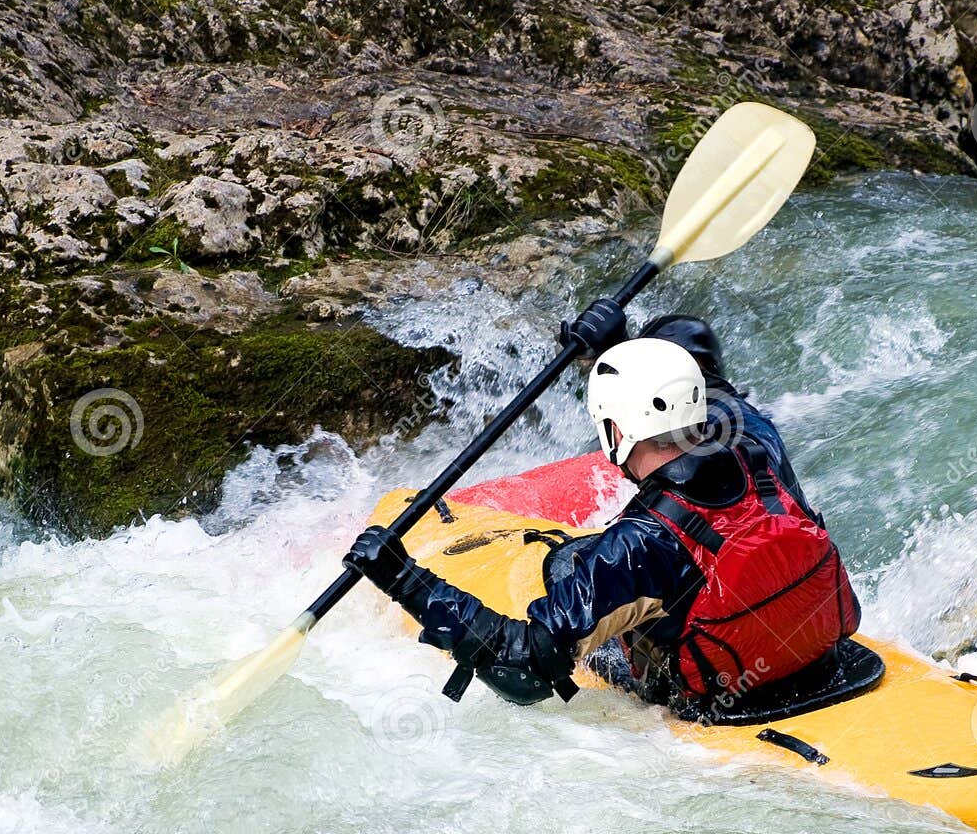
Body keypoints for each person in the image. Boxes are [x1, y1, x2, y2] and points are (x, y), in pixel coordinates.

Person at [343, 301, 860, 716]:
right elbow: (692, 347)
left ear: (616, 430)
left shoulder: (637, 547)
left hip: (720, 699)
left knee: (567, 564)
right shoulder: (754, 435)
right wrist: (620, 349)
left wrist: (405, 579)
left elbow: (522, 674)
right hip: (825, 658)